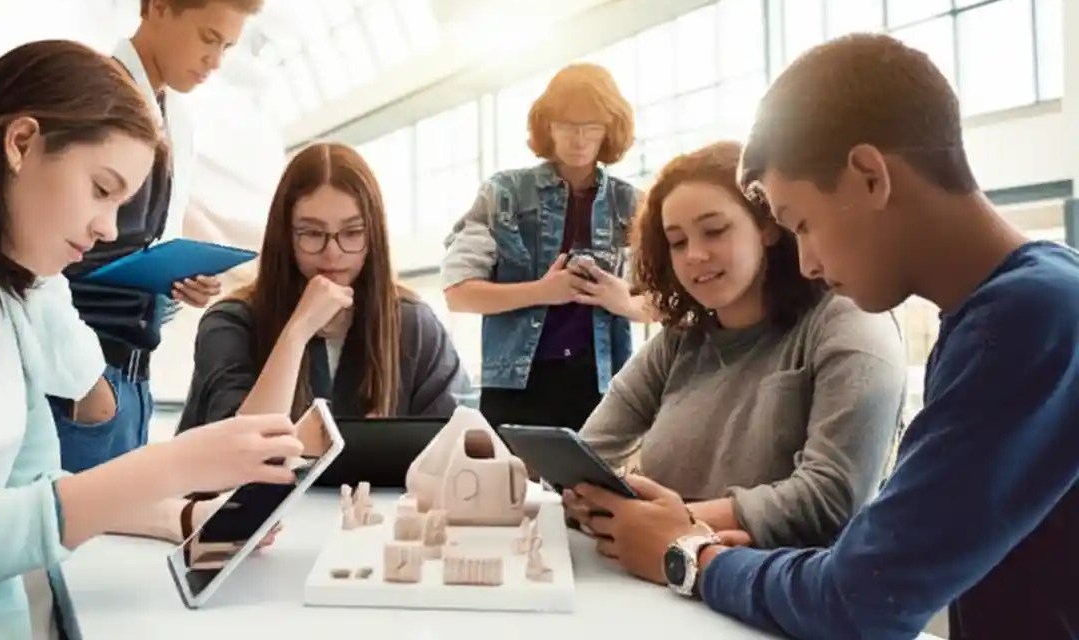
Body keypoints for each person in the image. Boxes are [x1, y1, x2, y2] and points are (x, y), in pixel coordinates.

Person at [574, 34, 1079, 639]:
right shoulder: (1007, 309)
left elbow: (861, 600)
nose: (807, 262)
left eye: (802, 224)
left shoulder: (1032, 317)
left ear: (870, 176)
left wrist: (688, 555)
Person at [0, 40, 302, 640]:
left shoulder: (9, 295)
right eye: (102, 189)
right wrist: (175, 465)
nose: (108, 228)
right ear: (20, 143)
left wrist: (183, 513)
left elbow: (36, 492)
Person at [568, 140, 906, 550]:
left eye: (715, 231)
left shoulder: (849, 323)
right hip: (655, 569)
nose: (694, 255)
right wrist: (588, 498)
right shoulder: (680, 340)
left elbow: (832, 496)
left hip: (776, 583)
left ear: (768, 225)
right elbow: (589, 453)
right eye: (677, 242)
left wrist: (664, 523)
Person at [47, 0, 271, 473]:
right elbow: (35, 258)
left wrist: (178, 283)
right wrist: (87, 381)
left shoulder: (179, 120)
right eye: (208, 38)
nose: (215, 60)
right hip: (79, 381)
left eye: (227, 47)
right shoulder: (87, 96)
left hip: (132, 379)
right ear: (159, 6)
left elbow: (143, 246)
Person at [178, 141, 471, 430]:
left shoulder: (414, 324)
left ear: (374, 236)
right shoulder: (231, 322)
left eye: (352, 232)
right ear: (285, 235)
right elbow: (238, 447)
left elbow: (458, 438)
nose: (332, 252)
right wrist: (297, 332)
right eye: (312, 233)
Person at [442, 63, 653, 431]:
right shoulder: (503, 193)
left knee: (592, 471)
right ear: (548, 126)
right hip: (515, 387)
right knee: (508, 469)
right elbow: (458, 293)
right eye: (567, 125)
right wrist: (542, 292)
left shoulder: (631, 203)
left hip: (602, 385)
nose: (579, 139)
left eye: (592, 126)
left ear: (608, 129)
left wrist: (624, 302)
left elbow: (668, 303)